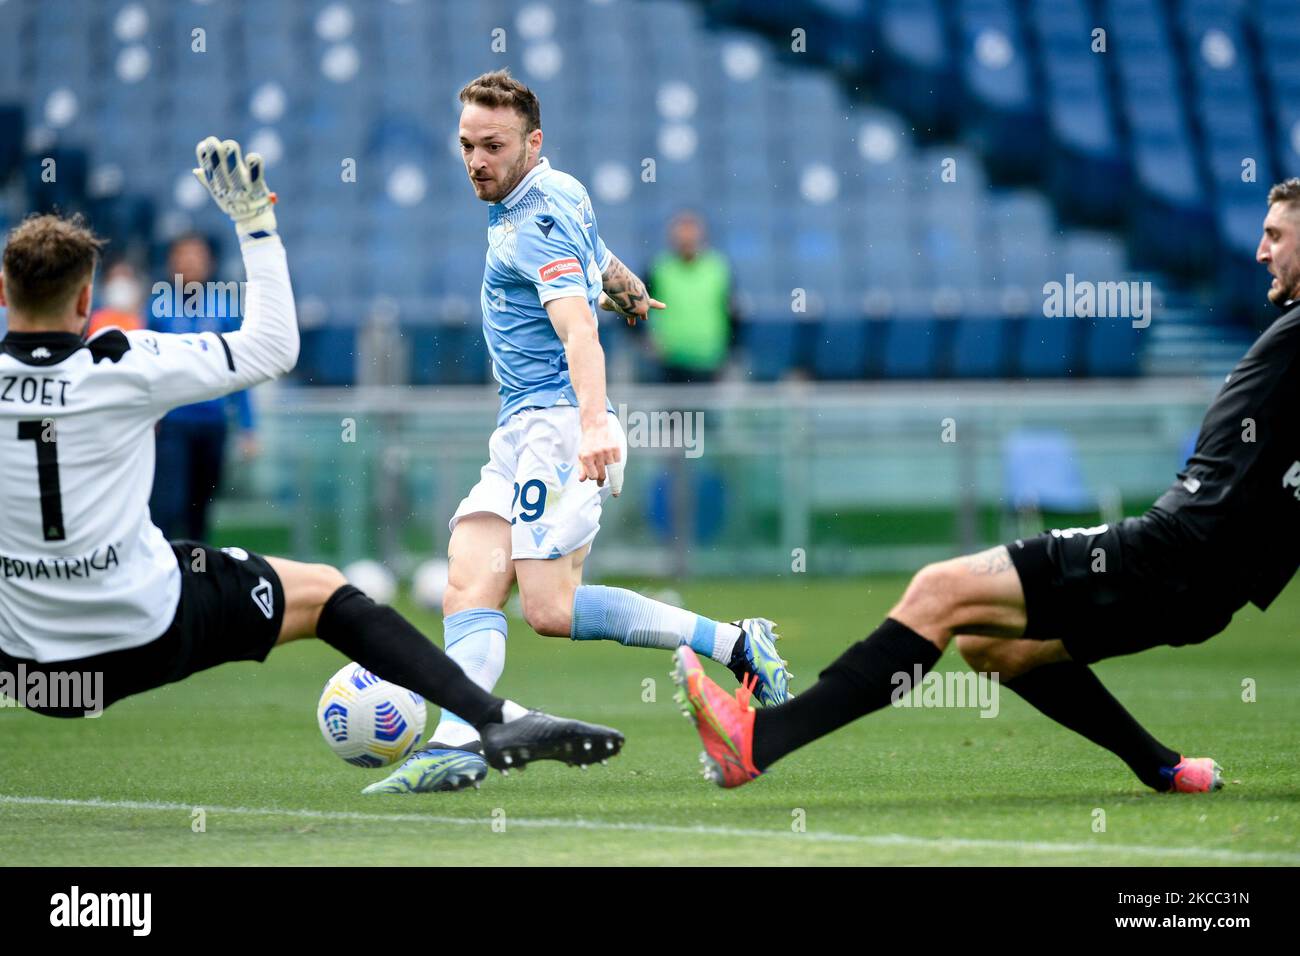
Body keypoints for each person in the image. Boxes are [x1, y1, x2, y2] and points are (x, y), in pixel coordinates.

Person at [0, 138, 623, 785]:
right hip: (143, 631)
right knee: (326, 594)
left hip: (27, 669)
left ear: (3, 289)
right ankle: (492, 718)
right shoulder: (122, 360)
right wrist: (254, 225)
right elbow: (272, 347)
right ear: (83, 302)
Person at [672, 179, 1300, 794]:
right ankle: (1162, 767)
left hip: (1175, 551)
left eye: (1275, 234)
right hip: (1201, 581)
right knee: (990, 644)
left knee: (938, 589)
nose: (1259, 251)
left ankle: (756, 742)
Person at [364, 69, 791, 795]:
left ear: (533, 142)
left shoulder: (535, 218)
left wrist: (594, 424)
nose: (476, 160)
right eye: (467, 144)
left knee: (548, 610)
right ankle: (461, 742)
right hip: (522, 428)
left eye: (492, 146)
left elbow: (578, 331)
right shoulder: (552, 190)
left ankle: (737, 644)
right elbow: (590, 257)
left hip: (559, 430)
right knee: (468, 576)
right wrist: (623, 279)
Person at [149, 232, 259, 541]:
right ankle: (165, 576)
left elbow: (238, 369)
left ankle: (196, 579)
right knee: (168, 506)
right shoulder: (158, 306)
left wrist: (248, 426)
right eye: (182, 256)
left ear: (208, 263)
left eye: (196, 256)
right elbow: (146, 367)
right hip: (173, 424)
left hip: (213, 424)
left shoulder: (223, 307)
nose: (189, 262)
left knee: (201, 509)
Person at [643, 210, 737, 383]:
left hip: (709, 360)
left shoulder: (718, 268)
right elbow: (635, 306)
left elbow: (733, 311)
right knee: (675, 410)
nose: (687, 240)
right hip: (669, 362)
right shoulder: (659, 268)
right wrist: (648, 340)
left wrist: (729, 348)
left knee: (706, 410)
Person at [87, 258, 146, 336]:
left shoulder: (139, 323)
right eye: (116, 276)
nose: (120, 284)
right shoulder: (96, 320)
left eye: (125, 276)